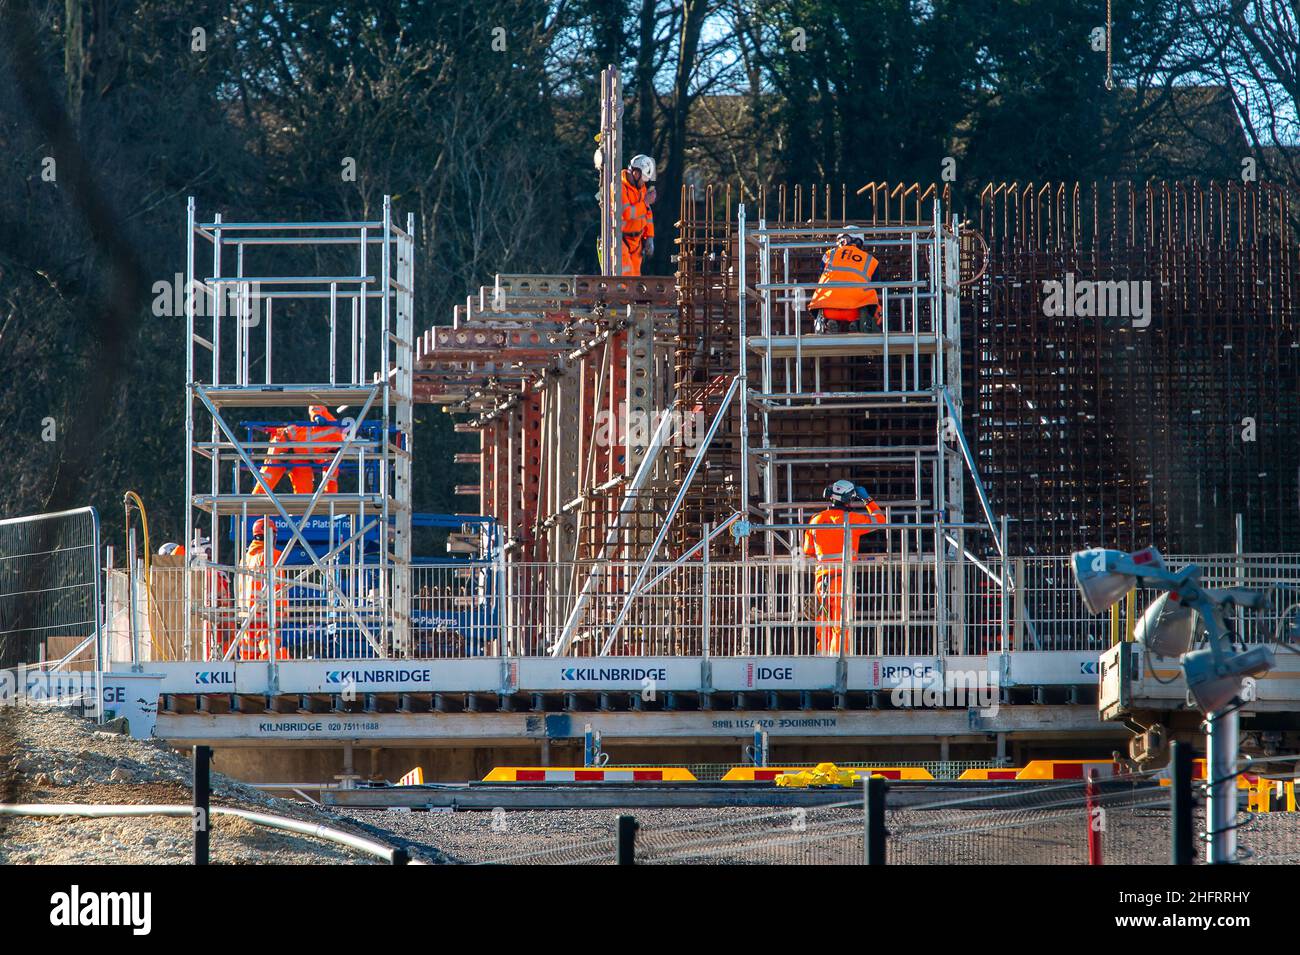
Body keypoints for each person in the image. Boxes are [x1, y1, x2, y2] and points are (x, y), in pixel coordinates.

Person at [801, 480, 887, 654]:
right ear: (849, 499)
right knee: (841, 626)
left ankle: (822, 662)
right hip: (842, 581)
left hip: (821, 581)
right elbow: (880, 520)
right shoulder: (852, 519)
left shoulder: (815, 519)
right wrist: (867, 500)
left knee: (823, 626)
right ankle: (838, 663)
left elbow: (807, 550)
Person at [809, 232, 881, 334]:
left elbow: (820, 275)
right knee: (872, 301)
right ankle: (857, 324)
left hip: (826, 309)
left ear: (846, 239)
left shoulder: (829, 254)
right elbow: (876, 287)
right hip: (856, 311)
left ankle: (829, 322)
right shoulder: (871, 261)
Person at [238, 518, 289, 660]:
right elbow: (278, 585)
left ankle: (247, 680)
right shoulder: (271, 556)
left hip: (247, 614)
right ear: (271, 535)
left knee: (248, 654)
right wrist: (281, 610)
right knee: (270, 654)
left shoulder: (245, 558)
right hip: (267, 613)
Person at [620, 154, 657, 276]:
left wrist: (649, 238)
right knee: (626, 278)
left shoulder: (641, 189)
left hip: (637, 243)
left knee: (636, 279)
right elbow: (627, 213)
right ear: (636, 173)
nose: (644, 183)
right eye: (644, 179)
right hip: (621, 241)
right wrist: (645, 202)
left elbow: (648, 214)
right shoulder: (618, 187)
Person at [304, 405, 343, 493]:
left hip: (329, 451)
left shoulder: (334, 438)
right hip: (325, 449)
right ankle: (330, 499)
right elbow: (315, 406)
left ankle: (330, 499)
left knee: (330, 476)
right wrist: (316, 416)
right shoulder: (319, 404)